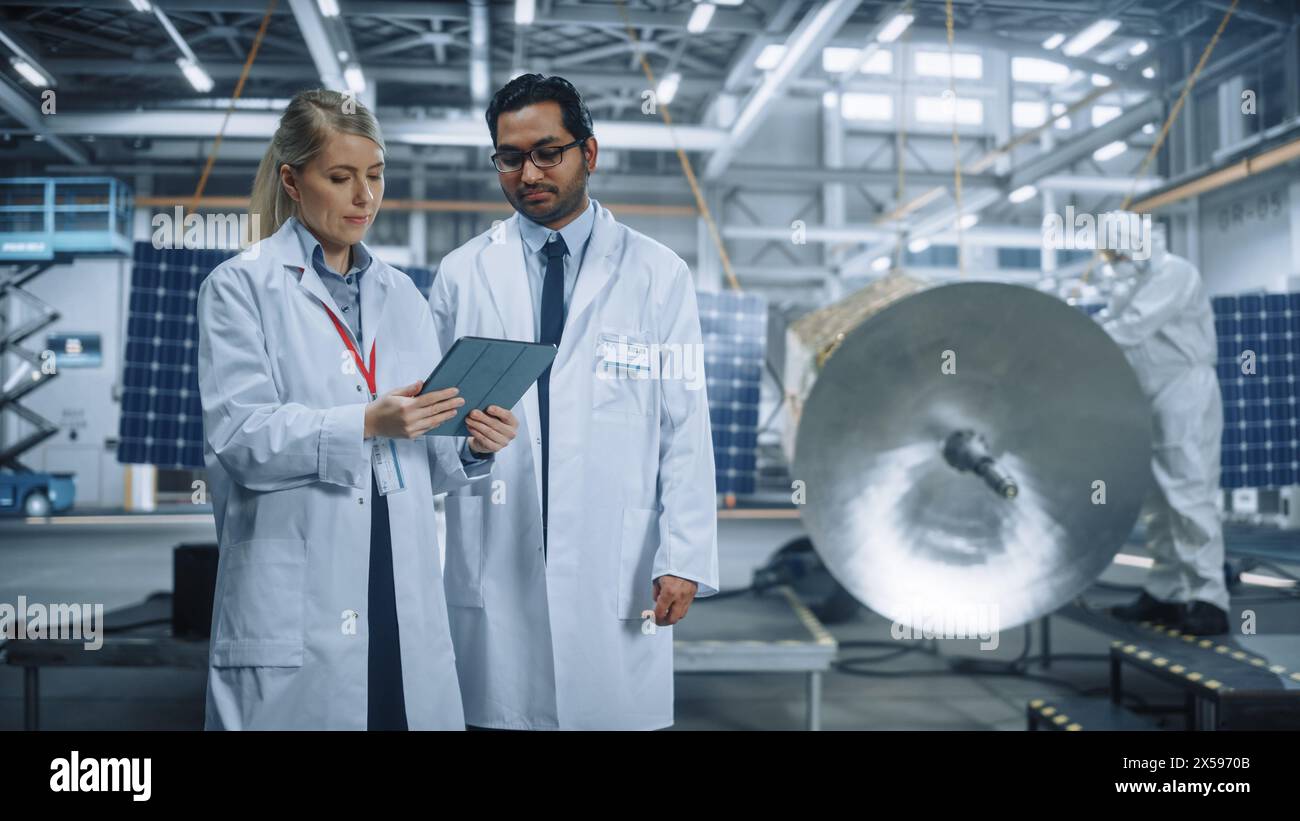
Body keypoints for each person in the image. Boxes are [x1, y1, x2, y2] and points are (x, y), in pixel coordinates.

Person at [197, 89, 518, 729]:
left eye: (374, 177)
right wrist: (366, 421)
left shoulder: (402, 294)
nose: (363, 196)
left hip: (397, 573)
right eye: (340, 178)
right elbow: (240, 437)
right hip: (299, 577)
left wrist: (472, 443)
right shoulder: (240, 286)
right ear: (292, 180)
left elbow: (429, 454)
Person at [428, 74, 719, 729]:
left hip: (617, 566)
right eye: (509, 156)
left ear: (589, 153)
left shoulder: (657, 274)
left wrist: (683, 555)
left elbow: (684, 425)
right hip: (495, 557)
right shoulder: (462, 274)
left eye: (547, 151)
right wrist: (465, 448)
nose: (527, 171)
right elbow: (434, 428)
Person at [1098, 216, 1229, 636]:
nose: (1111, 260)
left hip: (1183, 391)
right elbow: (1116, 323)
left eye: (1114, 251)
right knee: (1158, 497)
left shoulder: (1175, 273)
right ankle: (1166, 591)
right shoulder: (1128, 283)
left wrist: (1075, 338)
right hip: (1149, 393)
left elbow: (1131, 327)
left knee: (1189, 493)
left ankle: (1208, 597)